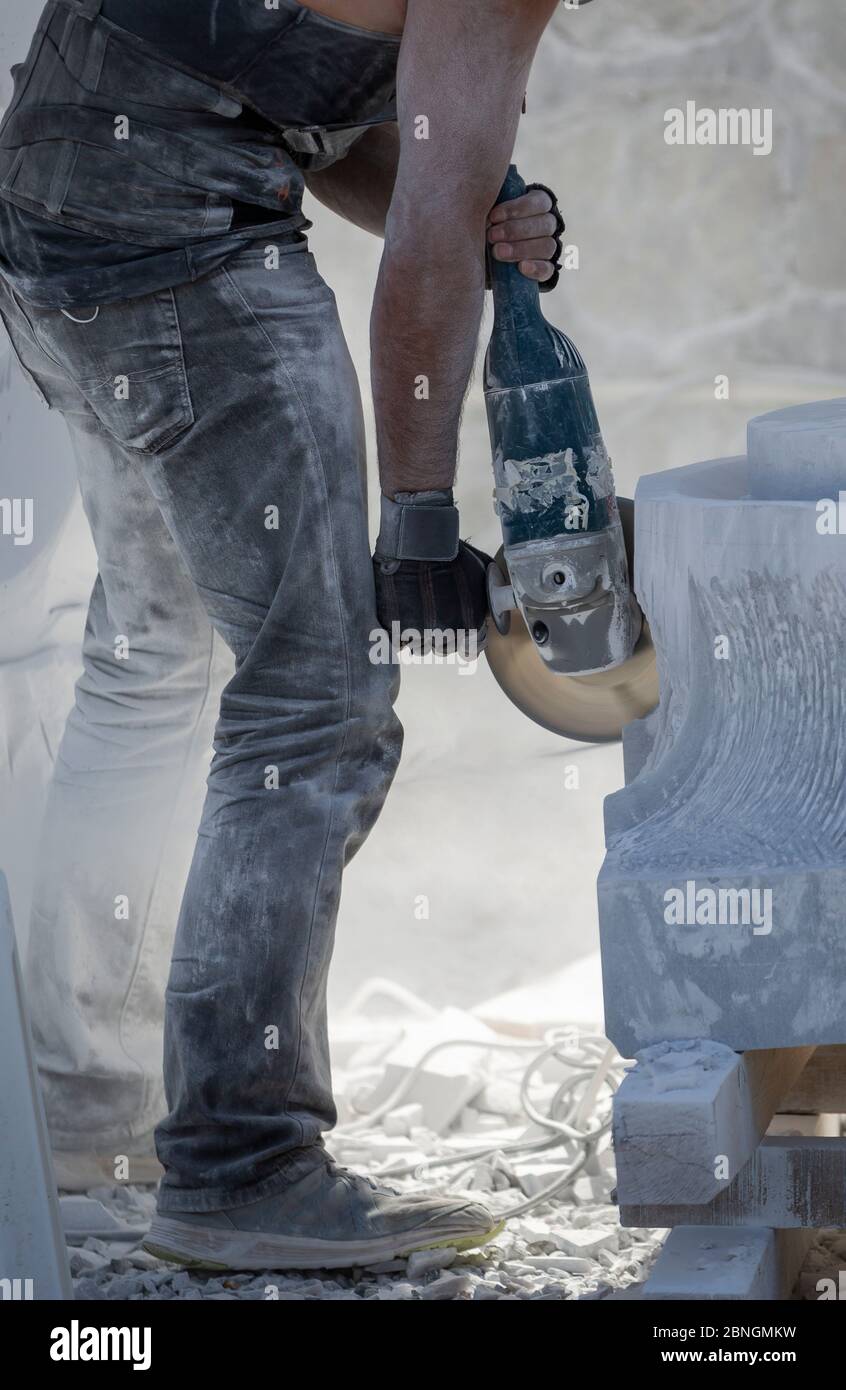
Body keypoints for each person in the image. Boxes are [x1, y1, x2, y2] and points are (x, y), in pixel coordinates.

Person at [0, 0, 564, 1269]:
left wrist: (456, 186)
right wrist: (419, 516)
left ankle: (83, 1122)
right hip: (181, 247)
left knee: (159, 656)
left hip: (56, 210)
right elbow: (420, 248)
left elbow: (277, 98)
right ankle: (243, 1162)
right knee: (318, 703)